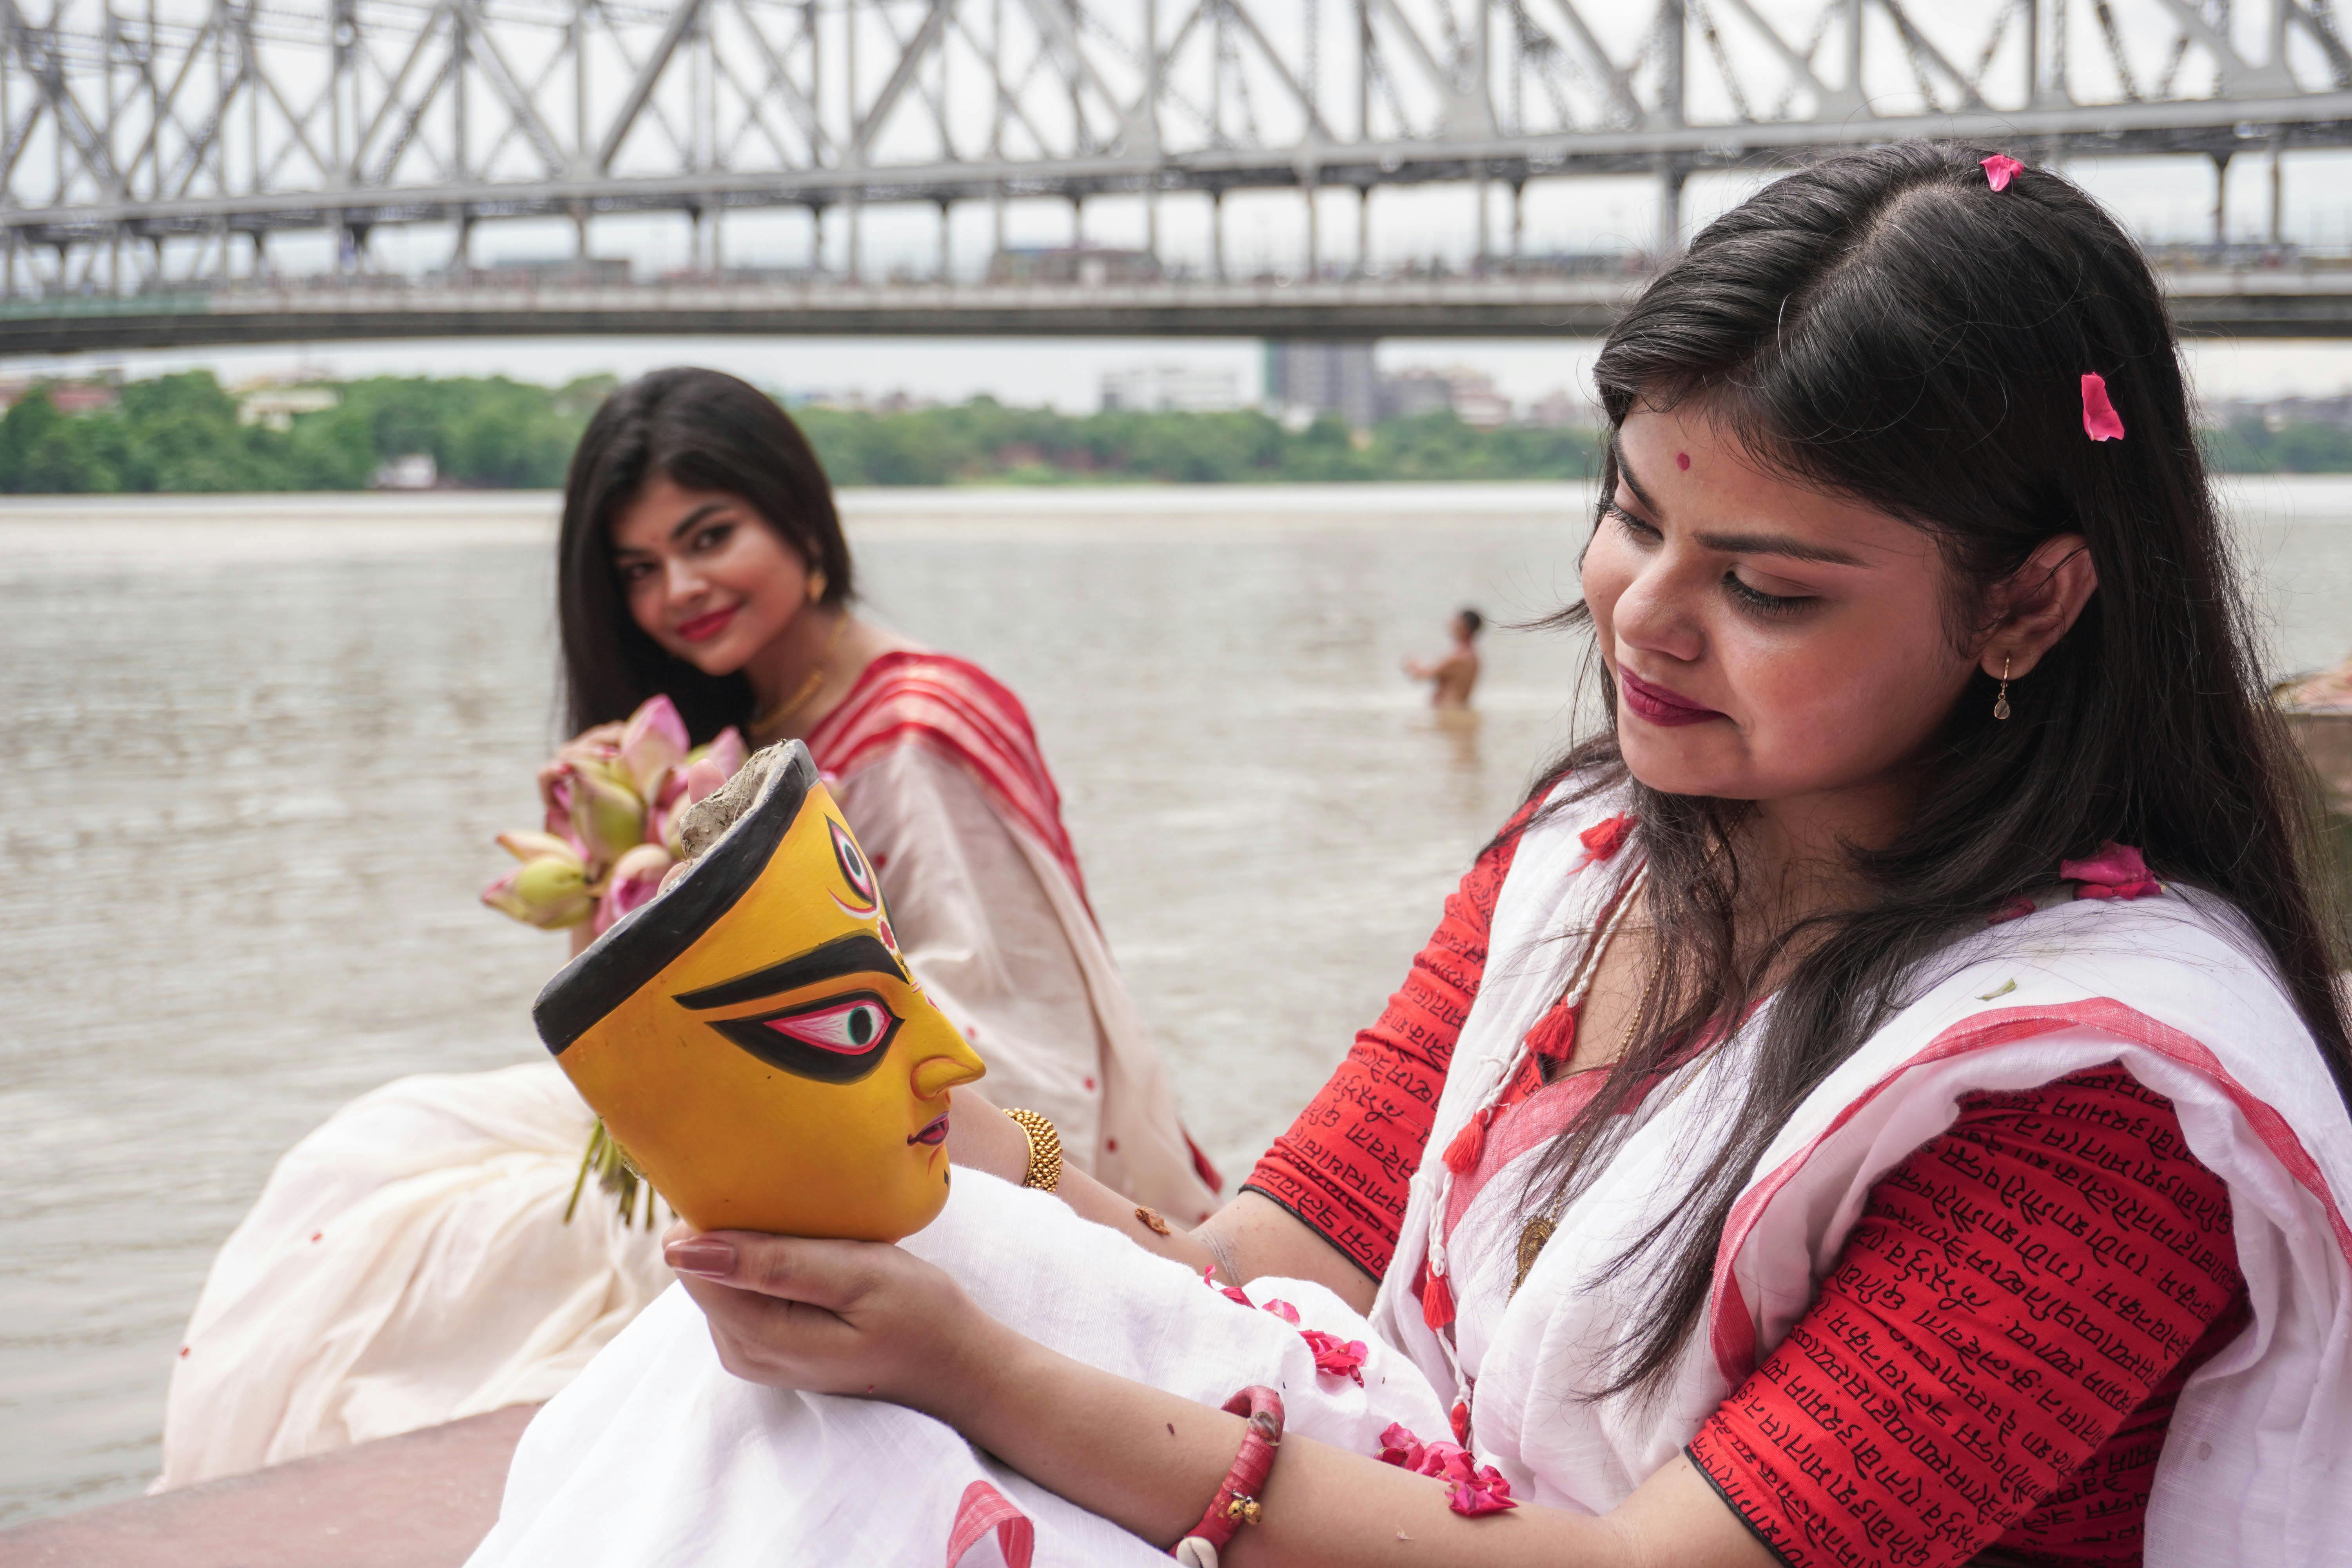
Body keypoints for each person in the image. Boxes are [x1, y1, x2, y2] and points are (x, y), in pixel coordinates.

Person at [473, 144, 2352, 1568]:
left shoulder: (2104, 1098)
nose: (1640, 618)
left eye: (1765, 586)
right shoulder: (1583, 866)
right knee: (758, 1394)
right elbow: (1257, 1257)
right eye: (1627, 516)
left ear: (2026, 601)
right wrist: (884, 1110)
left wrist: (979, 1366)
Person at [154, 368, 1218, 1491]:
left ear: (801, 520)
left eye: (710, 538)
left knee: (437, 1262)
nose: (680, 590)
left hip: (905, 1146)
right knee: (376, 1164)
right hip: (777, 1119)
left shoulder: (911, 735)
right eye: (640, 569)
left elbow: (1023, 1039)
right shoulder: (743, 724)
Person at [1405, 608, 1483, 708]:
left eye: (1457, 621)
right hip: (1457, 710)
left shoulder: (1460, 658)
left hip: (1448, 712)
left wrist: (1411, 664)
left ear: (1464, 627)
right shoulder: (1474, 657)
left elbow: (1422, 675)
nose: (1452, 624)